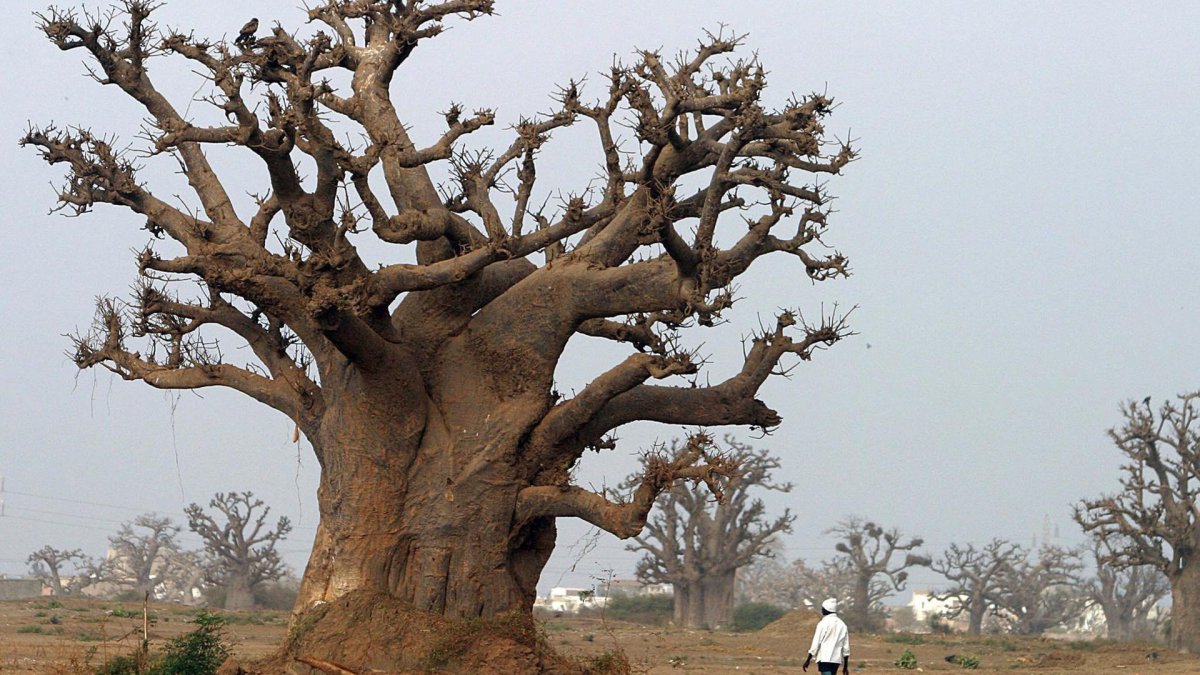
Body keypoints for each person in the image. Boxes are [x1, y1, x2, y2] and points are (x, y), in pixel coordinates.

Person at [802, 598, 850, 675]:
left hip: (824, 658)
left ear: (827, 609)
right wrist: (845, 666)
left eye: (823, 609)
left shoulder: (823, 623)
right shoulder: (842, 625)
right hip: (836, 660)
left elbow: (816, 643)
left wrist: (808, 660)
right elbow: (846, 648)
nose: (822, 610)